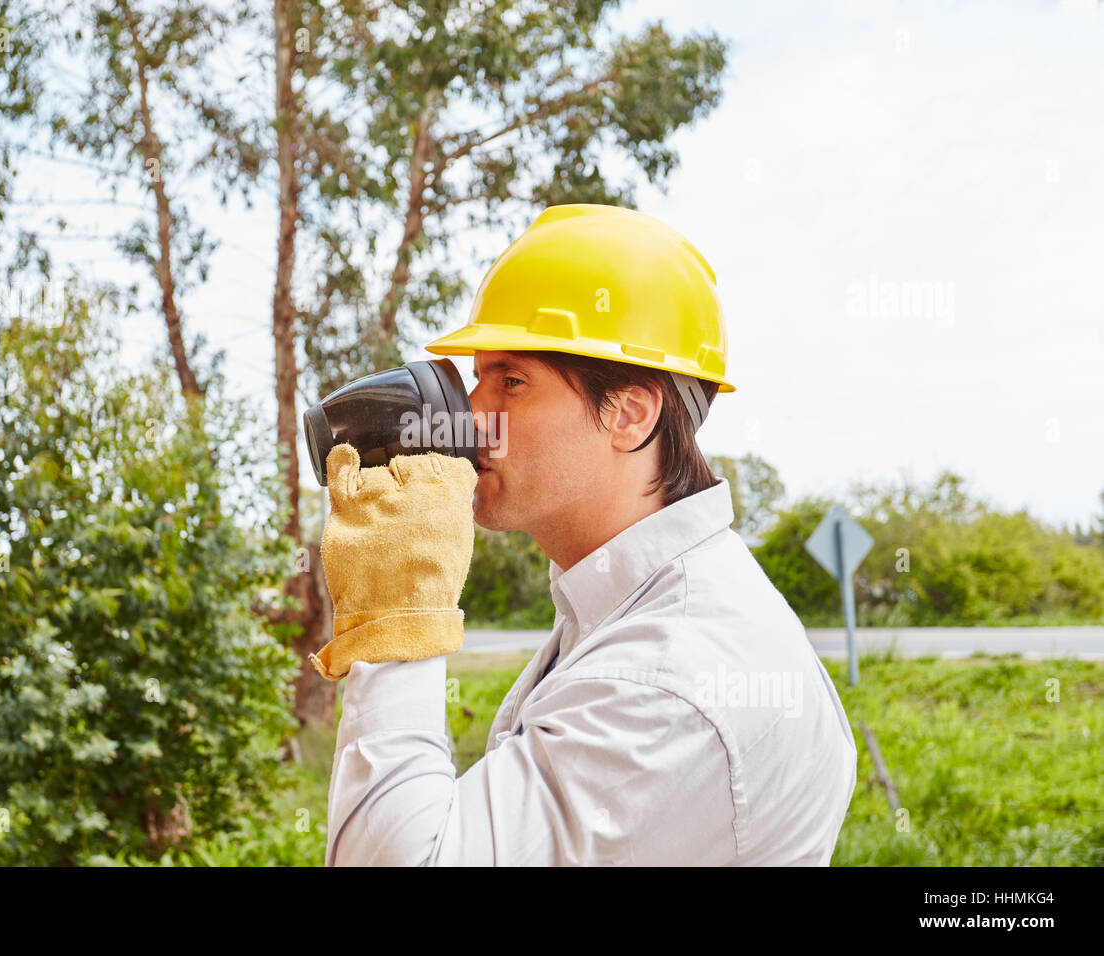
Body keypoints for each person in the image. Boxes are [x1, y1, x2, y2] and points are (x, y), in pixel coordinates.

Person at [309, 203, 857, 865]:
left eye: (512, 381)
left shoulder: (669, 680)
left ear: (629, 415)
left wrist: (399, 614)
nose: (473, 414)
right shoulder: (633, 606)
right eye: (477, 378)